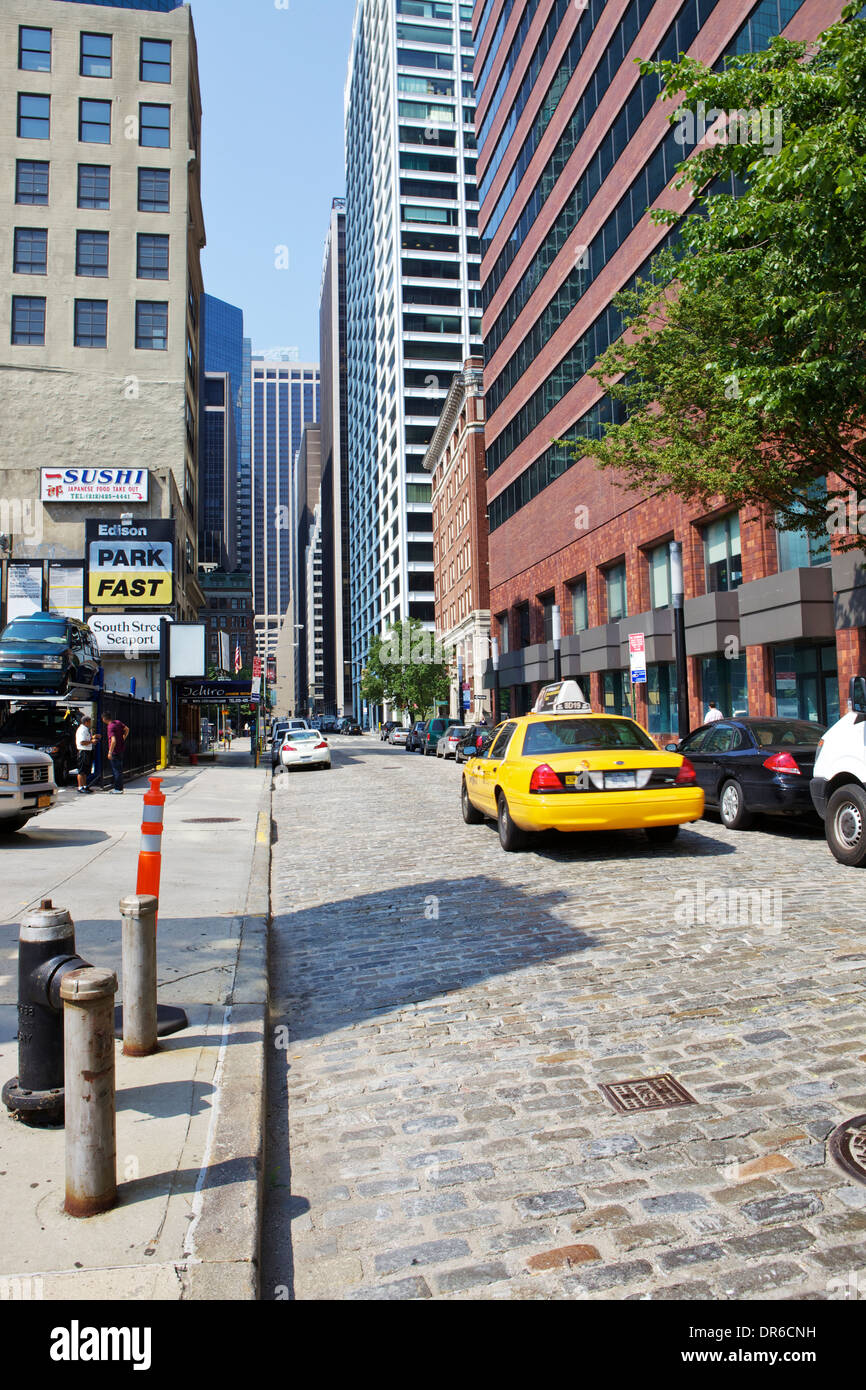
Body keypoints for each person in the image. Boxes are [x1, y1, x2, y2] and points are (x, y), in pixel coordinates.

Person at [102, 713, 130, 794]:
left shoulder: (110, 727)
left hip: (115, 751)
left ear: (104, 719)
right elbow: (127, 729)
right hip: (121, 749)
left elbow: (113, 741)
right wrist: (123, 737)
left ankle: (118, 789)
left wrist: (110, 752)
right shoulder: (118, 722)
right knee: (119, 769)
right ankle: (119, 788)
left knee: (116, 770)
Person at [75, 716, 98, 794]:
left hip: (87, 751)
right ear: (86, 722)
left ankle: (85, 786)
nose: (90, 723)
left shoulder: (86, 729)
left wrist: (93, 738)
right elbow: (82, 742)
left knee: (85, 770)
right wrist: (92, 742)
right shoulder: (82, 730)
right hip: (83, 751)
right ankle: (80, 786)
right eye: (90, 722)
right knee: (81, 770)